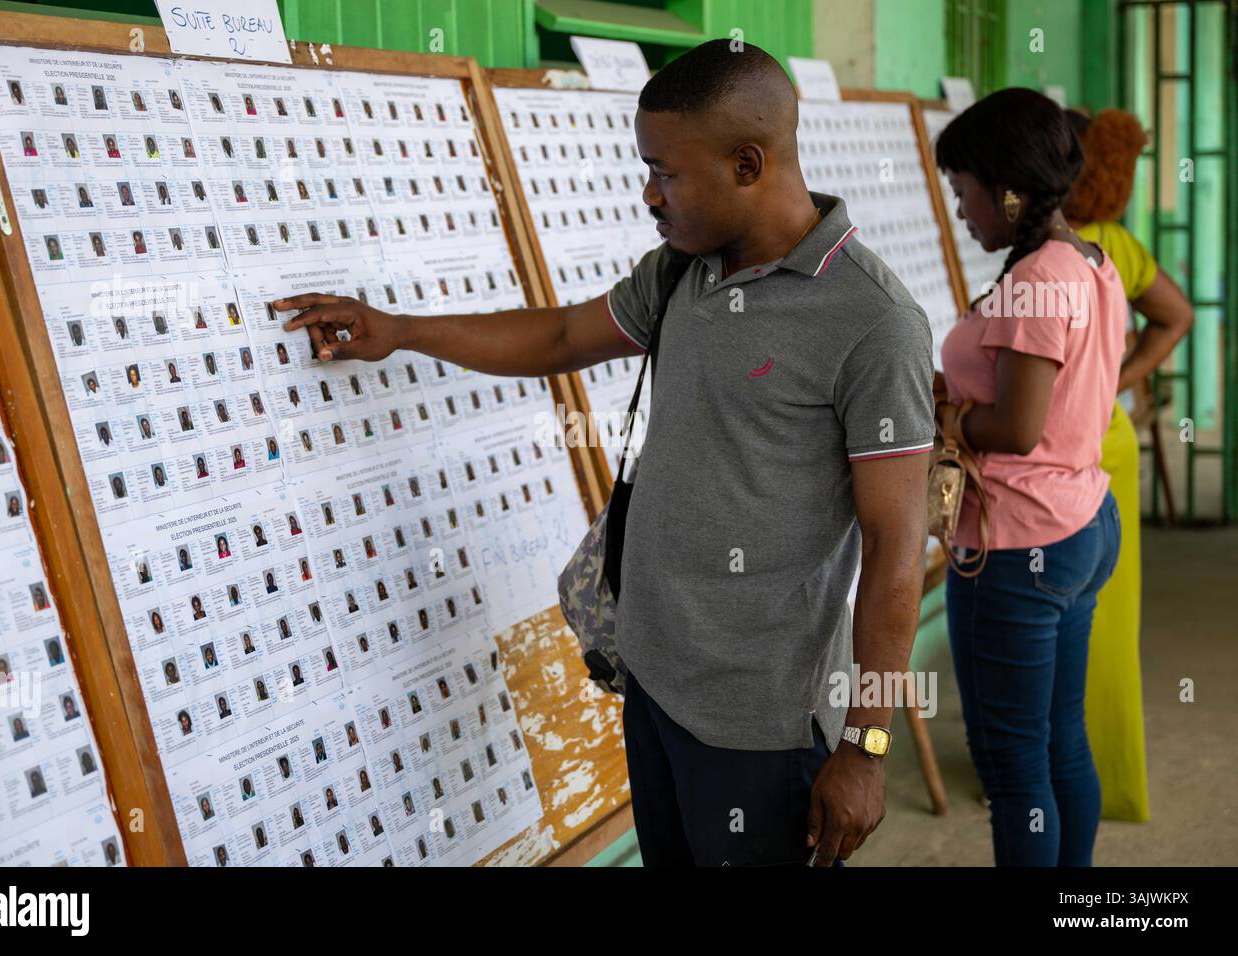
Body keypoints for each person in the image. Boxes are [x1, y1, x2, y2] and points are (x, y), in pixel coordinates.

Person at [274, 41, 933, 868]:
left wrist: (866, 749)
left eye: (666, 172)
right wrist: (402, 331)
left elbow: (897, 554)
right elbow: (558, 334)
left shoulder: (873, 323)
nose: (649, 193)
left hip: (762, 727)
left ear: (747, 164)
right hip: (652, 687)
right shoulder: (679, 274)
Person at [935, 88, 1126, 866]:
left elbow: (1015, 428)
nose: (961, 211)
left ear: (1005, 187)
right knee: (1058, 741)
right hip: (1078, 522)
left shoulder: (1036, 280)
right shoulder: (1086, 258)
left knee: (1014, 772)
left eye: (965, 192)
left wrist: (942, 418)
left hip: (1017, 548)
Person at [1062, 108, 1193, 824]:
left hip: (1061, 456)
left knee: (1052, 624)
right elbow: (1176, 317)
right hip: (1109, 440)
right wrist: (1116, 380)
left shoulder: (1052, 251)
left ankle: (1049, 776)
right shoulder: (1116, 245)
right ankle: (1108, 776)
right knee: (1106, 620)